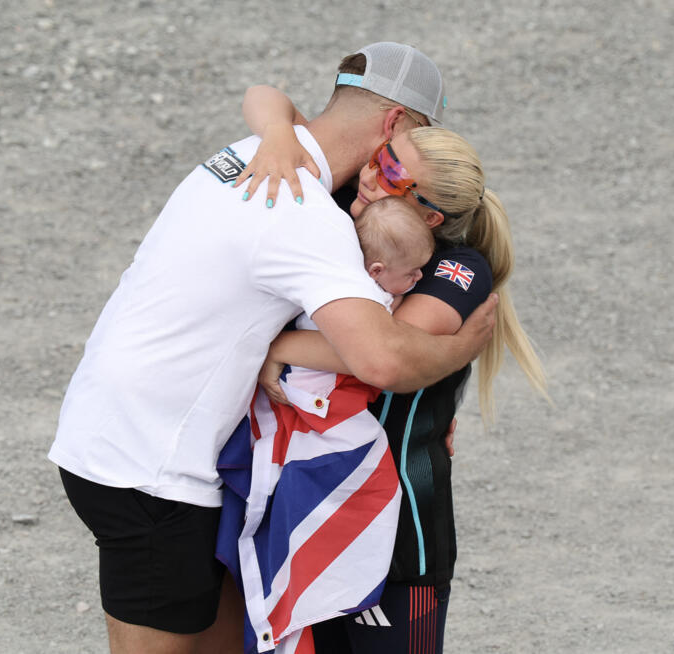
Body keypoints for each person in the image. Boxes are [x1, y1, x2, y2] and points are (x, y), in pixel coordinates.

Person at [48, 42, 498, 654]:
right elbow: (384, 360)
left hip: (114, 432)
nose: (381, 179)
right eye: (394, 158)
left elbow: (268, 98)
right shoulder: (311, 217)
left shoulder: (246, 155)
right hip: (154, 470)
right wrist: (463, 348)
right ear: (393, 124)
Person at [235, 83, 548, 654]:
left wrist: (268, 346)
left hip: (405, 529)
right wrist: (279, 135)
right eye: (382, 157)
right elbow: (265, 95)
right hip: (306, 507)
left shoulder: (458, 270)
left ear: (431, 215)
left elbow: (385, 354)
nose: (372, 175)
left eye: (394, 176)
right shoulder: (348, 213)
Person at [216, 196, 436, 653]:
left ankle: (316, 591)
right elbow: (372, 358)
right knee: (372, 479)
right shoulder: (368, 301)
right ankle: (319, 591)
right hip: (316, 409)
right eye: (412, 272)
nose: (419, 279)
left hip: (306, 400)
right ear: (375, 271)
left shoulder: (350, 285)